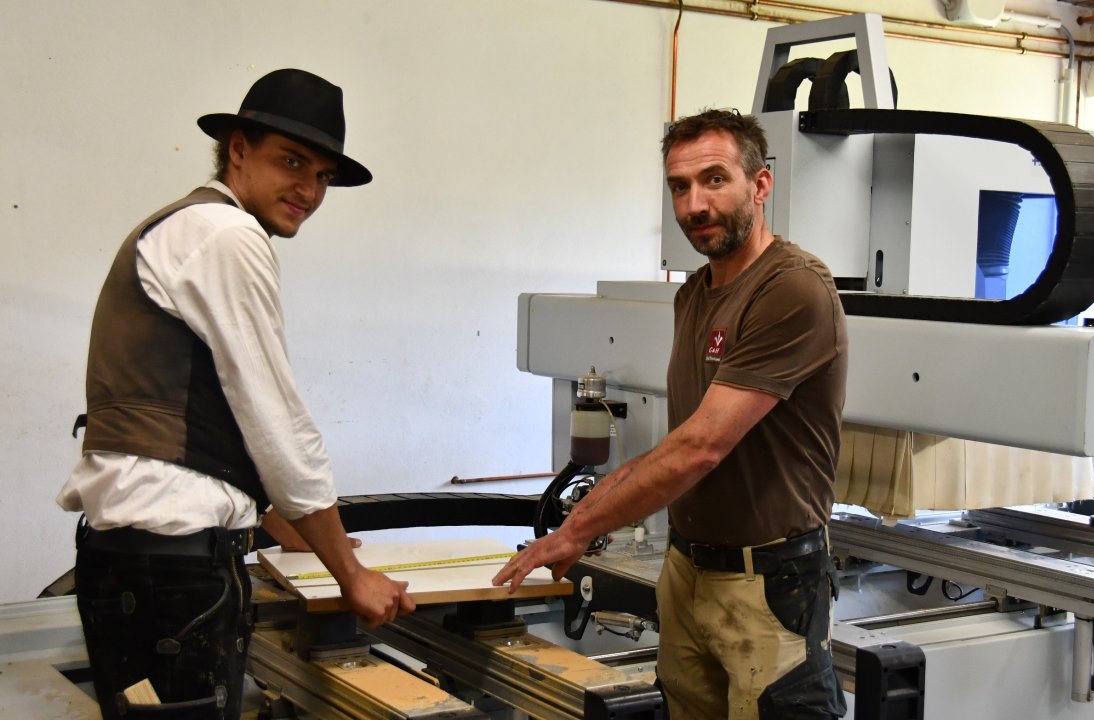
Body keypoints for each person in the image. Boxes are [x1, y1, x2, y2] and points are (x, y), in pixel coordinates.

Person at [57, 68, 416, 719]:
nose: (308, 190)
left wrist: (284, 528)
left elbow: (208, 427)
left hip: (131, 558)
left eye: (323, 177)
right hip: (174, 572)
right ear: (238, 150)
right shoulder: (227, 235)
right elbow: (276, 421)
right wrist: (350, 575)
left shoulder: (183, 227)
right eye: (292, 162)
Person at [494, 109, 848, 719]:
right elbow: (685, 439)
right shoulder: (694, 293)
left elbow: (699, 448)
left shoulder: (792, 290)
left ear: (760, 185)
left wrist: (575, 530)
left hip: (767, 581)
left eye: (715, 180)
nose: (694, 205)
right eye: (679, 187)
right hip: (688, 567)